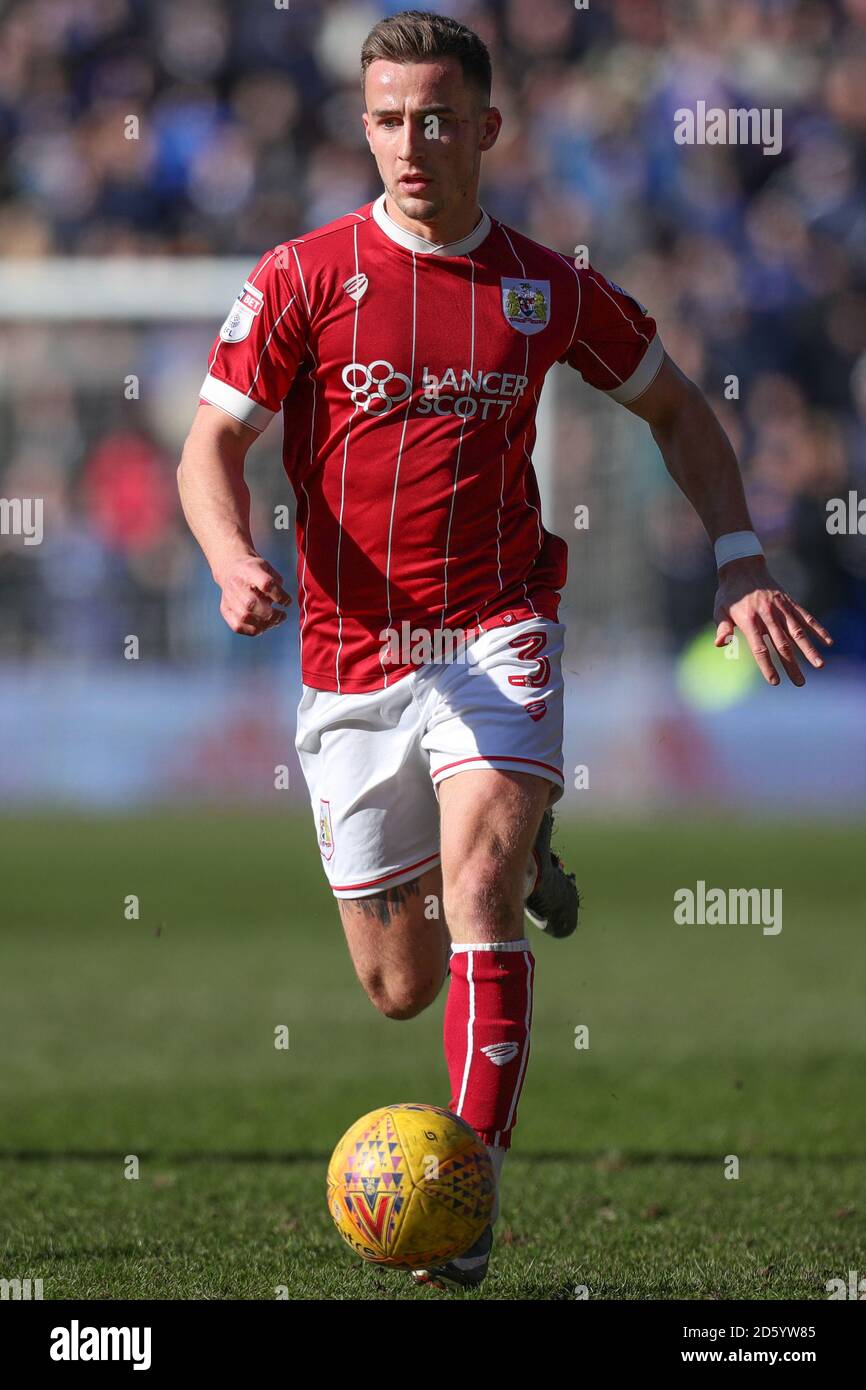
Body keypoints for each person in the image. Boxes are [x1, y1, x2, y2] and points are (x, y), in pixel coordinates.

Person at [177, 9, 832, 1289]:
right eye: (383, 119)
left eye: (433, 118)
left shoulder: (545, 285)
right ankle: (516, 850)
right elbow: (209, 446)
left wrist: (739, 553)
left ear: (485, 126)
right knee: (396, 985)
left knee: (476, 889)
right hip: (349, 658)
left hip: (495, 630)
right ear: (360, 125)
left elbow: (675, 406)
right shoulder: (304, 274)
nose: (407, 143)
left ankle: (464, 1200)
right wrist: (229, 559)